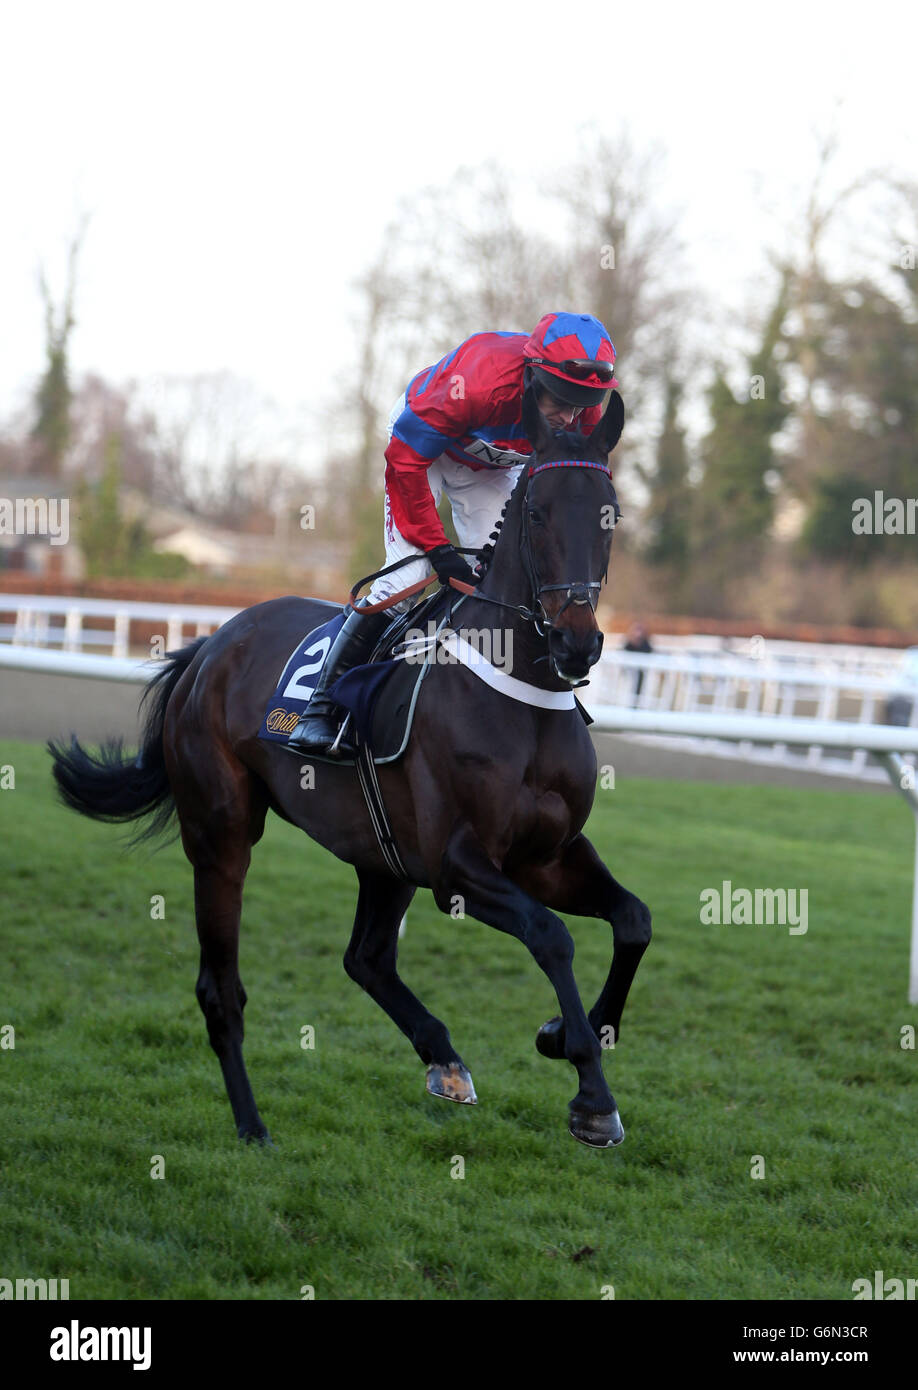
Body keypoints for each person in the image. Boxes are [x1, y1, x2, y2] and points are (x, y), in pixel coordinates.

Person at [290, 311, 618, 755]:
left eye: (580, 404)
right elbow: (405, 461)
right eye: (559, 401)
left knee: (508, 574)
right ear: (533, 376)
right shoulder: (479, 381)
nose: (569, 416)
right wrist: (437, 546)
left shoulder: (581, 408)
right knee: (410, 577)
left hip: (489, 466)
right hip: (423, 449)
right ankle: (320, 708)